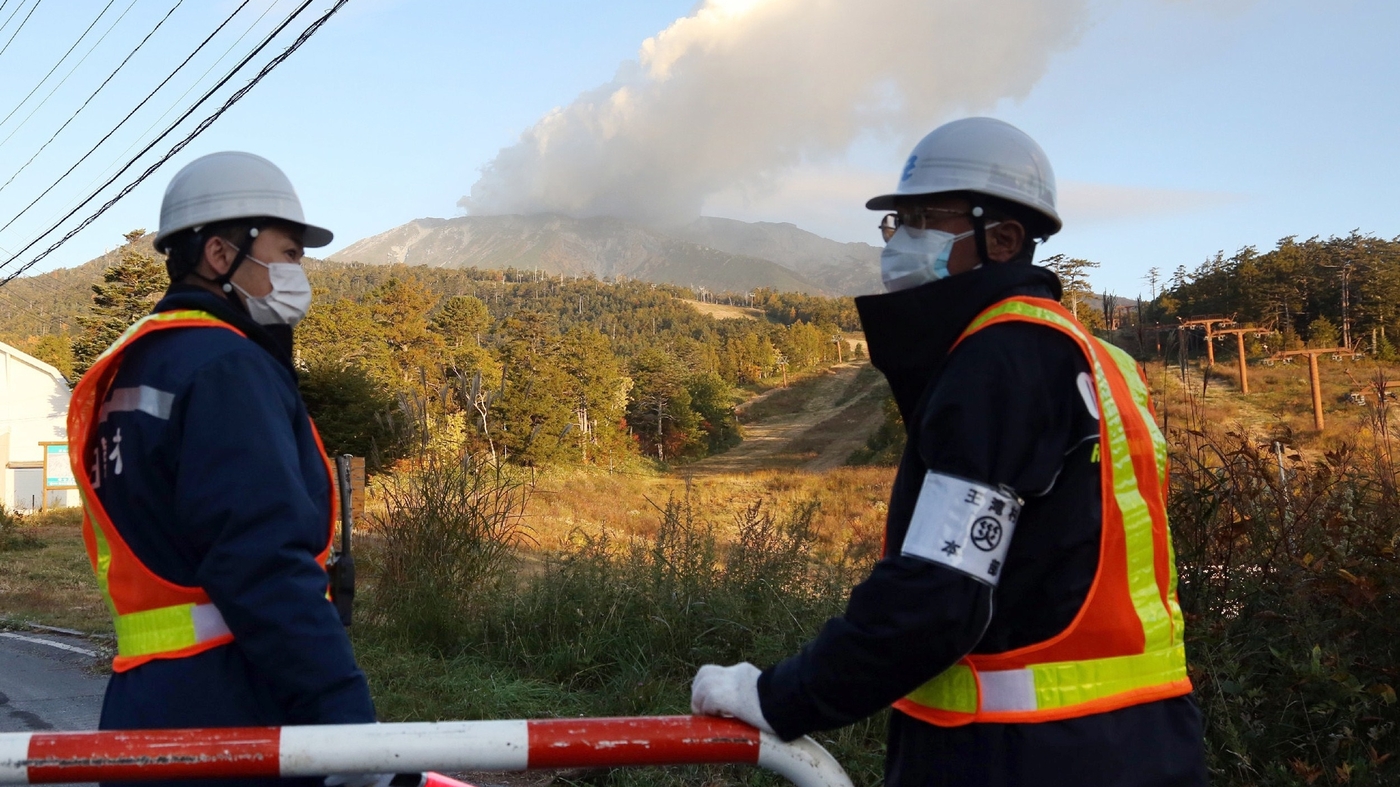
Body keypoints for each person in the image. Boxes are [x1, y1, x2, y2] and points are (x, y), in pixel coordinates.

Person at [690, 118, 1208, 786]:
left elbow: (939, 594)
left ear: (1003, 239)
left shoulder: (999, 359)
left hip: (1019, 756)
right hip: (1145, 741)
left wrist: (778, 696)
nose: (900, 241)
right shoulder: (1092, 357)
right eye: (897, 223)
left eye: (923, 221)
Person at [69, 152, 377, 787]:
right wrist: (346, 725)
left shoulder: (140, 364)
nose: (297, 274)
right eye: (287, 254)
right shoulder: (226, 367)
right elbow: (261, 561)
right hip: (230, 705)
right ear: (219, 254)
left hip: (143, 707)